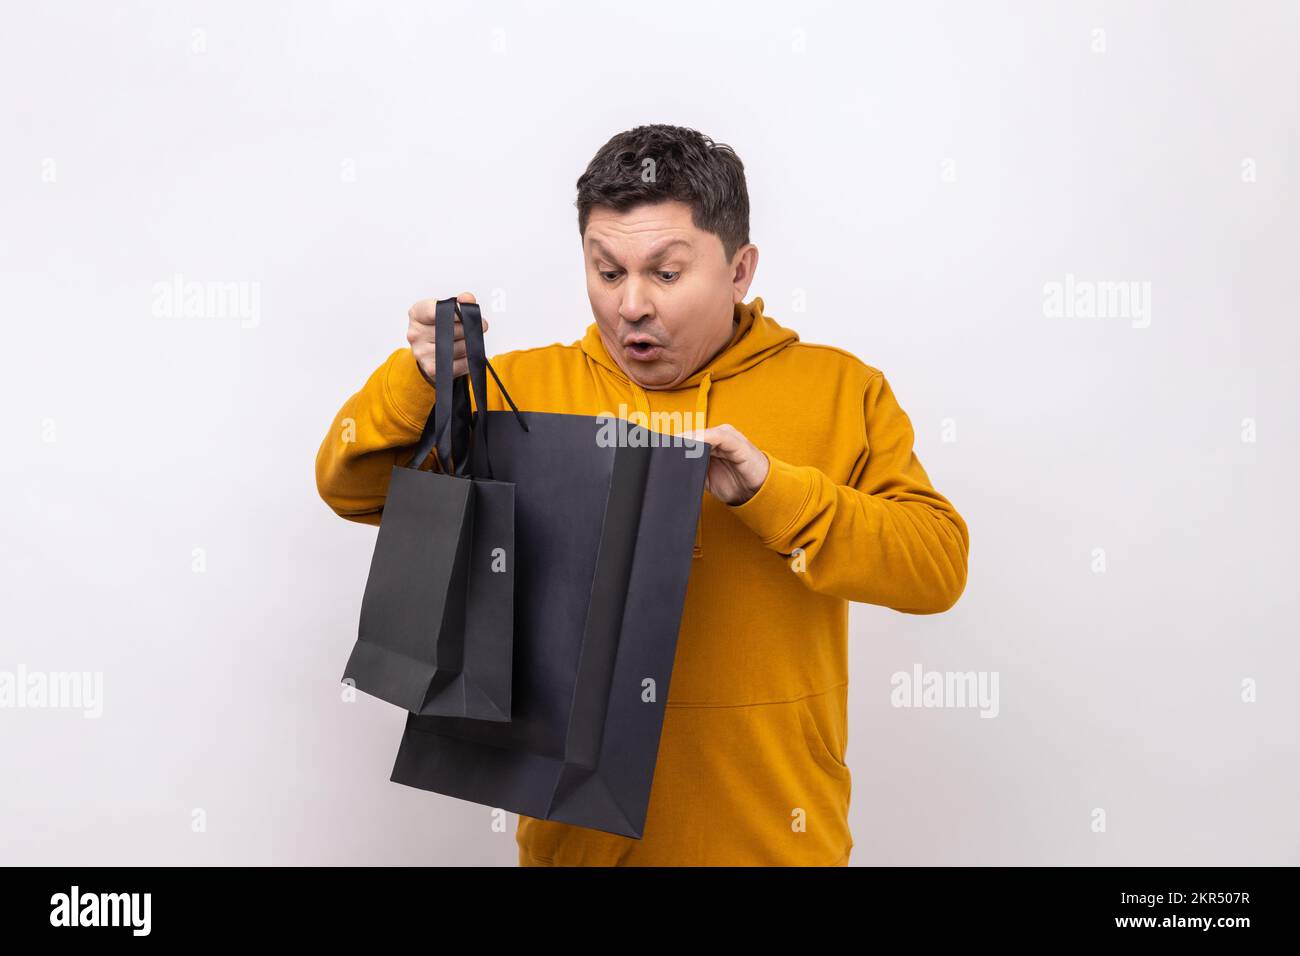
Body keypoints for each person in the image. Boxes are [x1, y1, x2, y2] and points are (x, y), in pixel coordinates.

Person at [315, 124, 970, 866]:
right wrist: (420, 380)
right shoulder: (524, 395)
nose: (631, 305)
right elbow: (353, 487)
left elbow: (937, 567)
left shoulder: (840, 389)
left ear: (740, 269)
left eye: (665, 273)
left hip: (780, 846)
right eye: (607, 270)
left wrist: (773, 492)